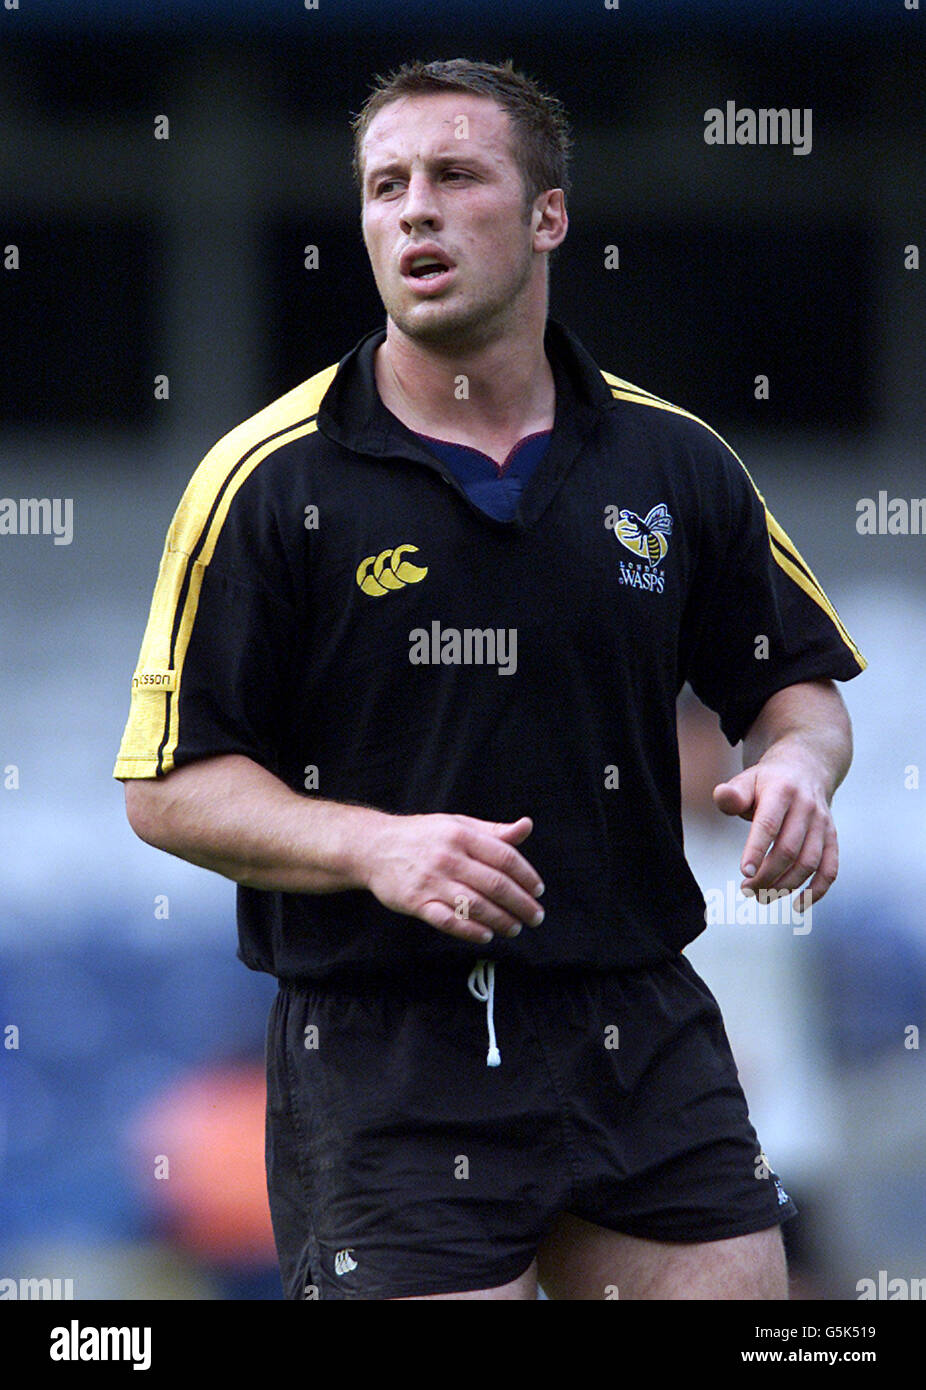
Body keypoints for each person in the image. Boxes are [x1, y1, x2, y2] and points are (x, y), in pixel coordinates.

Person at [114, 58, 866, 1301]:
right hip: (387, 1048)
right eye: (384, 186)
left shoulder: (677, 462)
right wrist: (374, 848)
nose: (413, 209)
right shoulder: (264, 482)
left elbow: (797, 688)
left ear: (546, 217)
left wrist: (795, 765)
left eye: (455, 177)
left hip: (640, 1025)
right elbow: (165, 789)